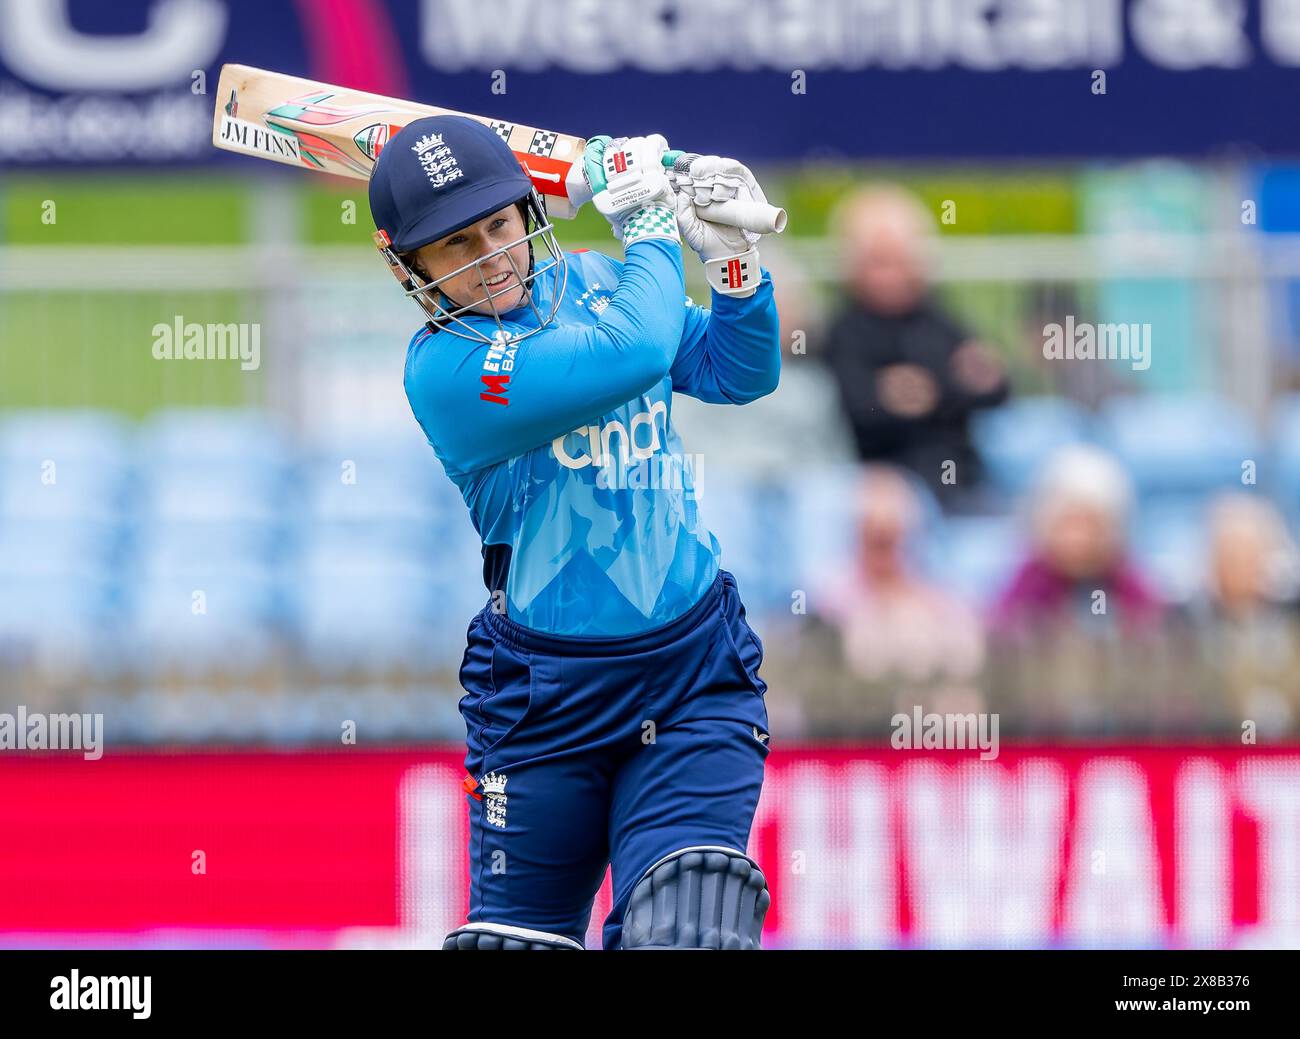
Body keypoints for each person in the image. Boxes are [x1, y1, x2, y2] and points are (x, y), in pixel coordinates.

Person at [367, 117, 781, 950]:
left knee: (692, 928)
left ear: (528, 212)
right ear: (408, 266)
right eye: (453, 247)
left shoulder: (596, 281)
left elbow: (738, 373)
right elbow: (634, 352)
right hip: (542, 701)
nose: (490, 257)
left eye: (497, 225)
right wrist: (651, 227)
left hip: (691, 674)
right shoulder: (447, 371)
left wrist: (733, 263)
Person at [822, 185, 1009, 507]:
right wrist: (890, 400)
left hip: (961, 481)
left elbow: (993, 388)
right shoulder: (842, 331)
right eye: (879, 262)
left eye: (900, 260)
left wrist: (934, 392)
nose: (891, 275)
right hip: (880, 490)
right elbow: (852, 407)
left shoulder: (940, 320)